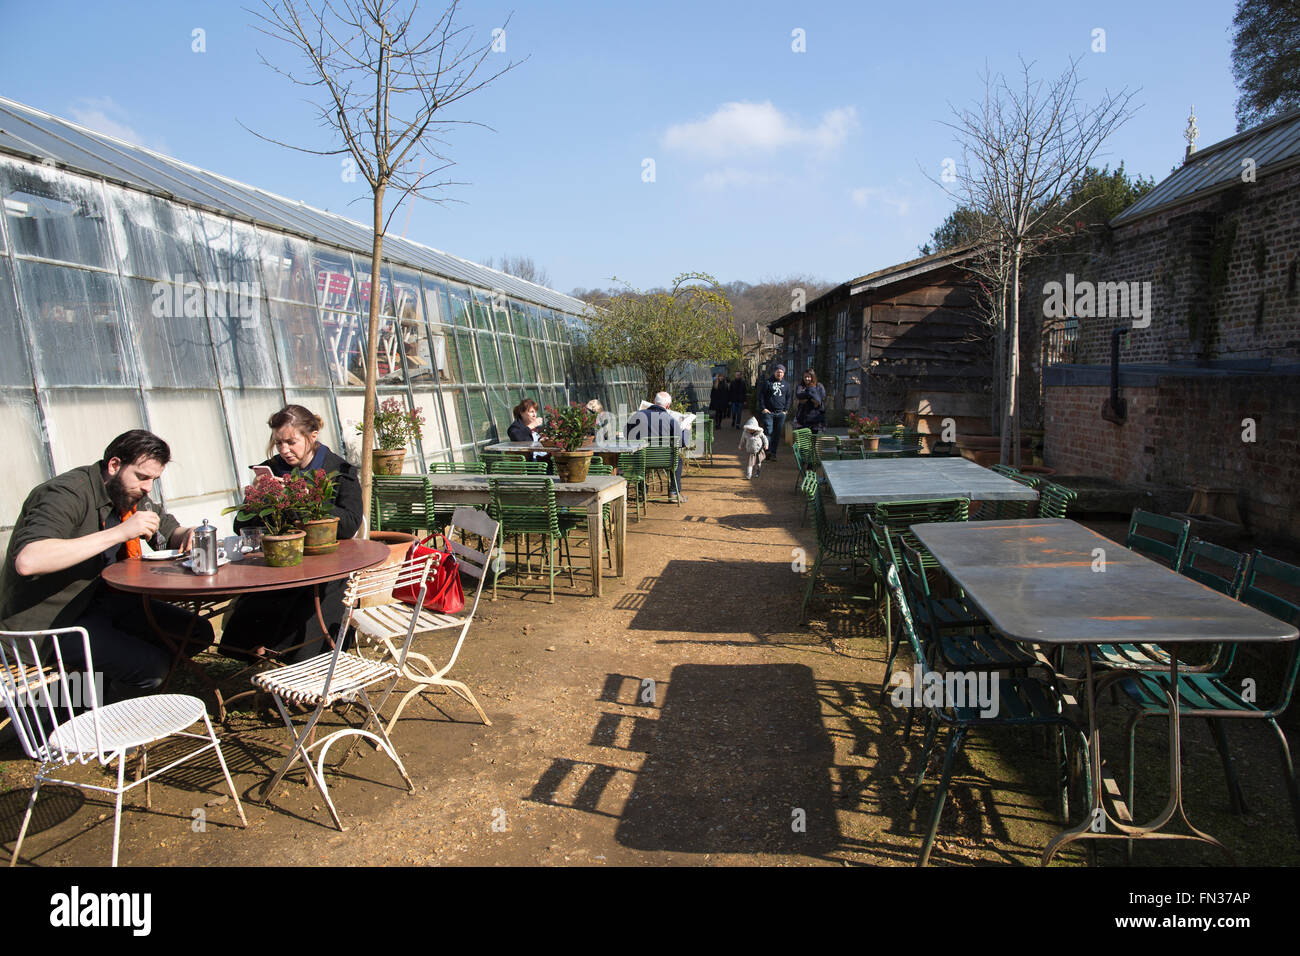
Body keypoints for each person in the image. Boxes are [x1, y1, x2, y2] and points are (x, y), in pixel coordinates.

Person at [0, 430, 205, 701]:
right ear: (114, 465)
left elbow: (165, 528)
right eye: (142, 477)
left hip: (101, 605)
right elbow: (29, 560)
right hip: (50, 624)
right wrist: (121, 532)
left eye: (153, 480)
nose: (147, 488)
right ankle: (100, 730)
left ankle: (92, 695)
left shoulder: (126, 492)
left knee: (196, 634)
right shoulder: (65, 493)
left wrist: (187, 534)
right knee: (150, 668)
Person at [219, 405, 363, 663]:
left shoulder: (340, 472)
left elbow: (351, 524)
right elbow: (241, 528)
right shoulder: (272, 470)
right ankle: (258, 653)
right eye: (278, 443)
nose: (284, 450)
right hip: (281, 564)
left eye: (291, 442)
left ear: (313, 435)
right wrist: (257, 498)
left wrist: (308, 503)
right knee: (267, 594)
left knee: (315, 600)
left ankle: (303, 664)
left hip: (328, 565)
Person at [626, 391, 686, 501]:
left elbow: (627, 435)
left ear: (654, 402)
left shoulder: (638, 415)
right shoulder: (671, 420)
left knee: (638, 457)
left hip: (641, 459)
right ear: (668, 406)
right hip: (665, 460)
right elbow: (681, 443)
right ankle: (673, 492)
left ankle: (641, 491)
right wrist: (685, 431)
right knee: (678, 460)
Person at [758, 365, 791, 460]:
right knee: (768, 431)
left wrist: (786, 410)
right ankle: (766, 451)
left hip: (781, 413)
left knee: (776, 434)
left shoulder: (787, 385)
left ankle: (773, 453)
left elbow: (788, 398)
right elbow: (761, 396)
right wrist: (763, 408)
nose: (779, 373)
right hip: (769, 412)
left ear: (784, 374)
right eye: (777, 371)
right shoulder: (767, 382)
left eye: (781, 372)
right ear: (774, 372)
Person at [795, 369, 828, 434]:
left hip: (816, 417)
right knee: (803, 440)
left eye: (809, 377)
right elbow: (799, 396)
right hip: (802, 417)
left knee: (814, 439)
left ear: (813, 377)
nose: (807, 379)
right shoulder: (800, 386)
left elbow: (820, 399)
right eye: (805, 377)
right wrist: (812, 396)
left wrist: (808, 395)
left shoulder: (819, 386)